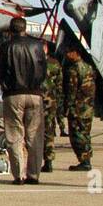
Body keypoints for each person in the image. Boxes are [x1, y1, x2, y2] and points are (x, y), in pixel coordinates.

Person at [0, 16, 46, 184]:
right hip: (35, 94)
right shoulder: (37, 45)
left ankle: (19, 175)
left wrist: (5, 87)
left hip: (13, 94)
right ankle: (34, 175)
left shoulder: (6, 46)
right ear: (25, 28)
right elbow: (43, 69)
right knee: (34, 136)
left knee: (15, 135)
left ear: (10, 30)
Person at [62, 45, 96, 171]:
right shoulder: (89, 67)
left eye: (69, 52)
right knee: (86, 134)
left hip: (77, 109)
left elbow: (71, 91)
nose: (67, 55)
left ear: (75, 52)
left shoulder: (73, 70)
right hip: (88, 107)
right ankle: (87, 159)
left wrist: (67, 107)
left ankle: (84, 161)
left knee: (77, 135)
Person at [41, 40, 64, 172]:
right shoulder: (55, 64)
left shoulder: (36, 62)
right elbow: (60, 85)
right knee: (49, 131)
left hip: (39, 100)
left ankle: (42, 161)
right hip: (51, 101)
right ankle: (48, 160)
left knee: (34, 131)